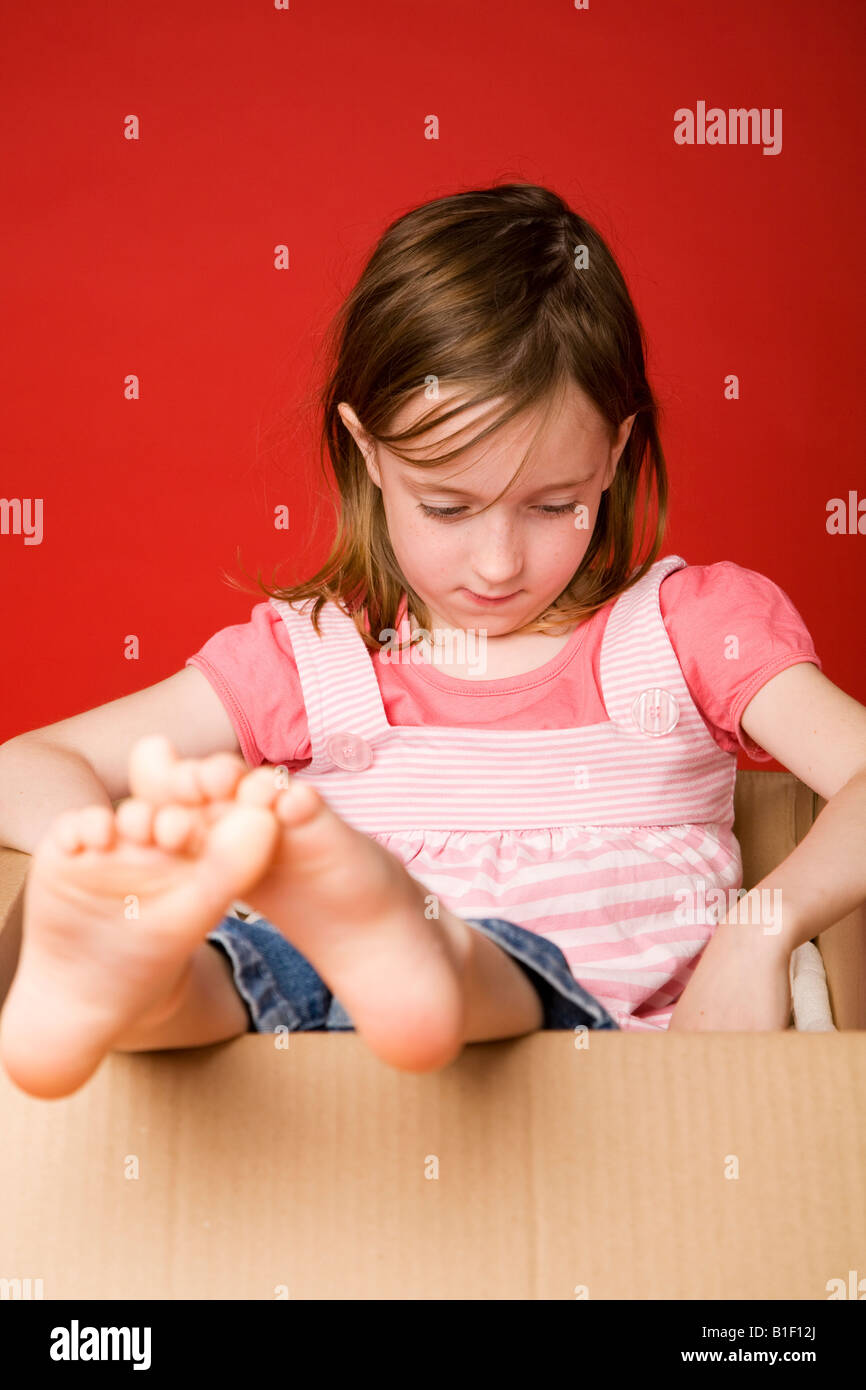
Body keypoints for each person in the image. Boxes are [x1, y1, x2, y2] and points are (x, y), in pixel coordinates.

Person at [0, 182, 853, 1103]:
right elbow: (23, 767)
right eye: (447, 507)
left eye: (552, 506)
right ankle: (139, 986)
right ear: (368, 451)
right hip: (338, 1077)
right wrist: (116, 871)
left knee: (474, 967)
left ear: (614, 452)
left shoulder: (688, 630)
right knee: (249, 971)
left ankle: (407, 947)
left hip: (586, 1059)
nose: (497, 564)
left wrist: (764, 926)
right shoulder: (316, 661)